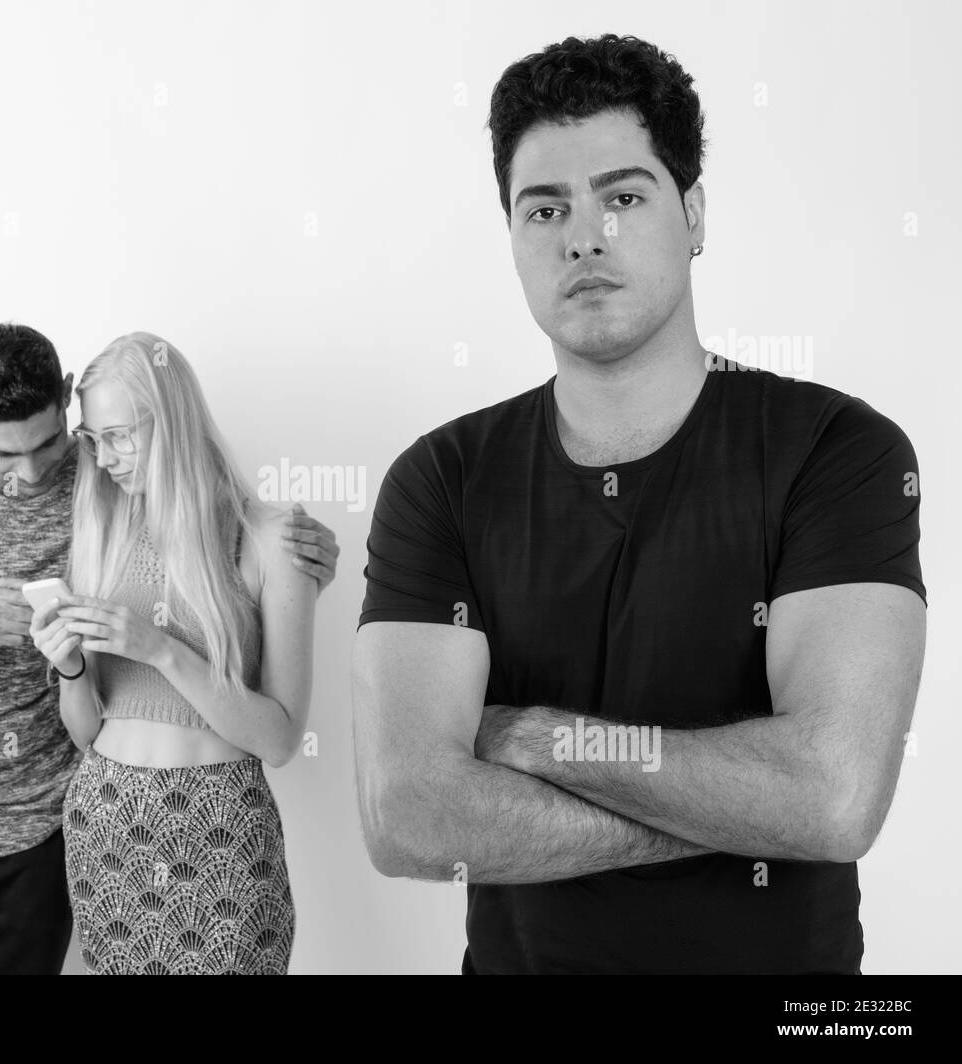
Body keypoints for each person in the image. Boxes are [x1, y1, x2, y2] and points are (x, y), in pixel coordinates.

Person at [352, 33, 926, 974]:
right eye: (545, 209)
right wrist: (738, 808)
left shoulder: (837, 452)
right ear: (511, 236)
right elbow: (408, 819)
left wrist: (530, 737)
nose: (584, 235)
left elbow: (832, 799)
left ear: (693, 214)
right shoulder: (442, 479)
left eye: (623, 196)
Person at [0, 322, 340, 975]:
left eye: (51, 442)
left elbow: (209, 536)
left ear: (66, 400)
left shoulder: (95, 483)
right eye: (4, 457)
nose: (33, 471)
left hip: (44, 831)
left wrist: (309, 553)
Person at [30, 332, 317, 974]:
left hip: (220, 829)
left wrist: (161, 650)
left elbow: (279, 738)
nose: (105, 458)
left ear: (174, 417)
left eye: (121, 434)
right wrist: (71, 668)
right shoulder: (101, 534)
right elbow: (85, 733)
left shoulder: (270, 538)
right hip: (106, 824)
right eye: (94, 440)